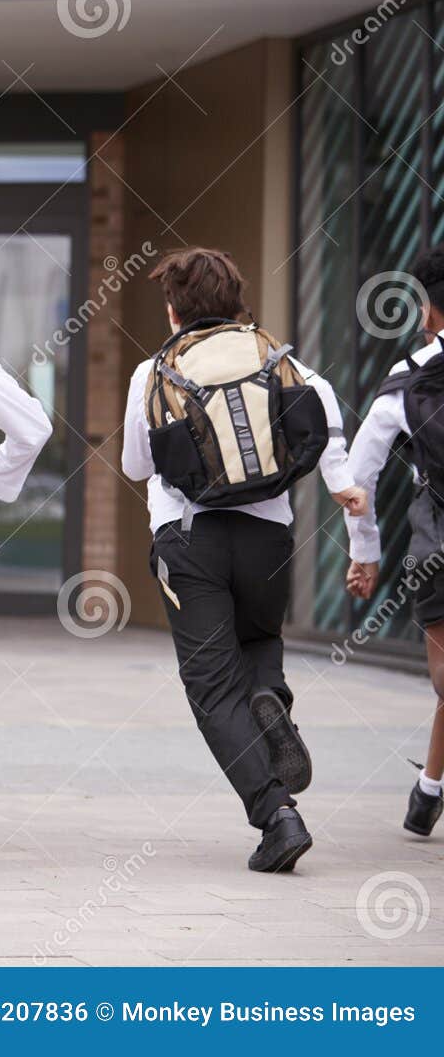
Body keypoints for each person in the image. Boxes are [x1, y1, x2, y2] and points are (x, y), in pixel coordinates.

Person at [120, 247, 366, 873]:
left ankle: (276, 815)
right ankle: (273, 704)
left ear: (174, 308)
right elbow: (325, 412)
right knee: (258, 640)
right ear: (236, 300)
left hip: (189, 537)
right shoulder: (276, 356)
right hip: (269, 536)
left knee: (211, 687)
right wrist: (339, 482)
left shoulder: (154, 372)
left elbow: (135, 466)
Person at [343, 242, 444, 838]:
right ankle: (428, 790)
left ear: (428, 312)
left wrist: (367, 553)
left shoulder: (407, 381)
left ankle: (428, 792)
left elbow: (360, 477)